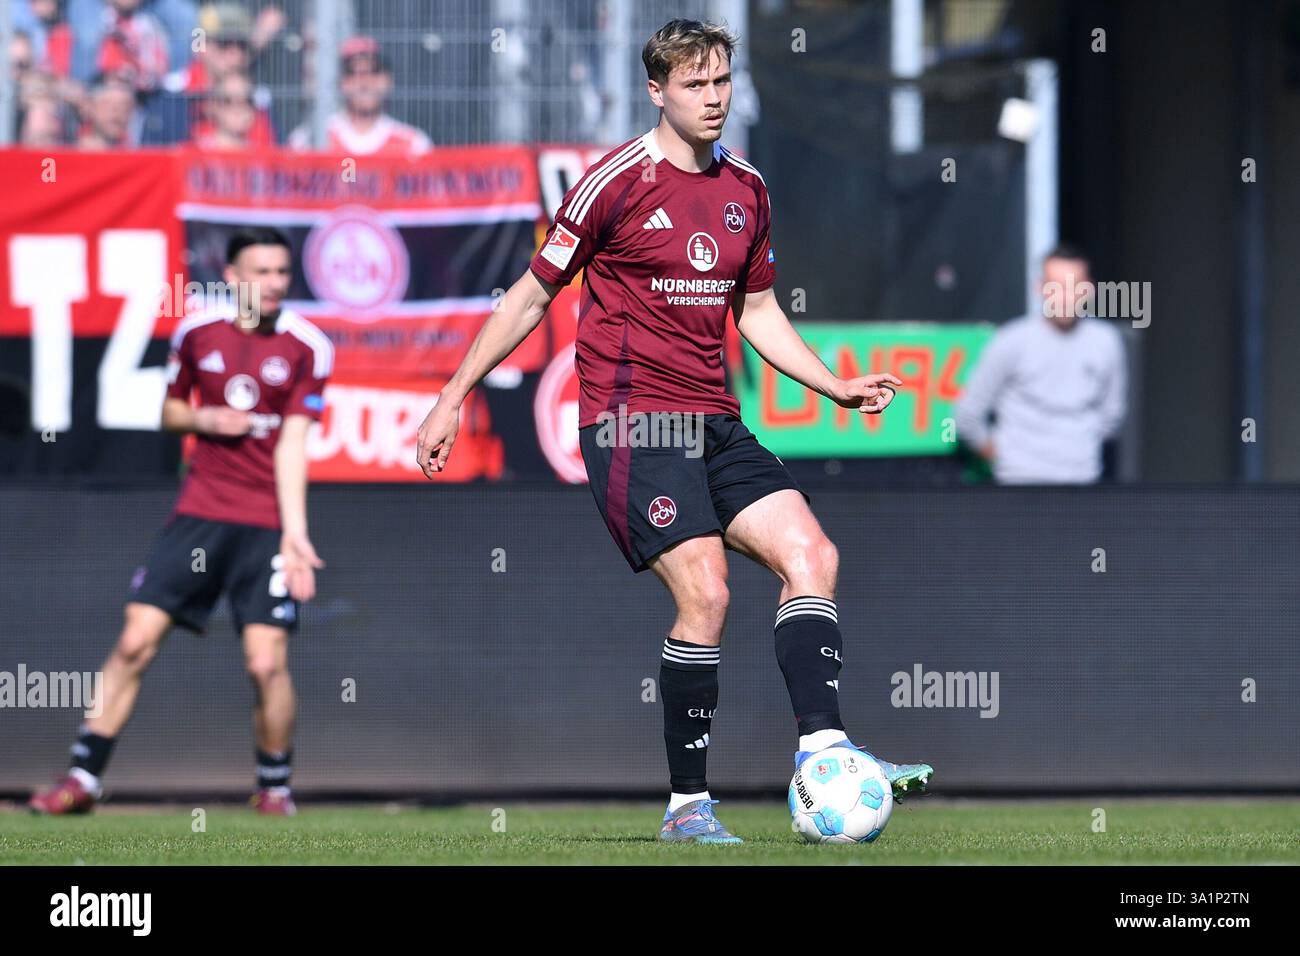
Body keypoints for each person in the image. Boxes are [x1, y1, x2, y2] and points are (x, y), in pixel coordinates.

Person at [415, 19, 932, 844]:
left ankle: (825, 752)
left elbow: (757, 311)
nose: (714, 97)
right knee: (709, 593)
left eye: (722, 81)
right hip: (631, 424)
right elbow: (529, 297)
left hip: (716, 421)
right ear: (657, 90)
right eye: (695, 84)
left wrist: (832, 385)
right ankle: (687, 806)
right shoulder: (613, 182)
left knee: (814, 556)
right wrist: (452, 396)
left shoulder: (749, 190)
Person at [29, 227, 333, 817]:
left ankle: (274, 788)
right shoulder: (196, 332)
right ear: (235, 277)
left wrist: (295, 533)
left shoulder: (308, 346)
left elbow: (294, 443)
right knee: (134, 642)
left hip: (265, 523)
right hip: (198, 514)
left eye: (281, 273)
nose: (274, 285)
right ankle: (82, 780)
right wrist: (207, 419)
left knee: (266, 662)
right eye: (262, 273)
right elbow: (170, 411)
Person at [955, 244, 1128, 484]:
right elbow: (967, 414)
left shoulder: (1106, 342)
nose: (1065, 297)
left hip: (1083, 483)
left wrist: (1077, 448)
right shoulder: (1010, 341)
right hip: (1018, 484)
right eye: (1056, 286)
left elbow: (1112, 415)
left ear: (1088, 289)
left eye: (1074, 286)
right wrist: (1005, 458)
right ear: (1040, 288)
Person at [287, 35, 430, 156]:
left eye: (374, 72)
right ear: (340, 83)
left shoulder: (413, 145)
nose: (365, 83)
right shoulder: (308, 141)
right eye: (354, 73)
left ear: (388, 81)